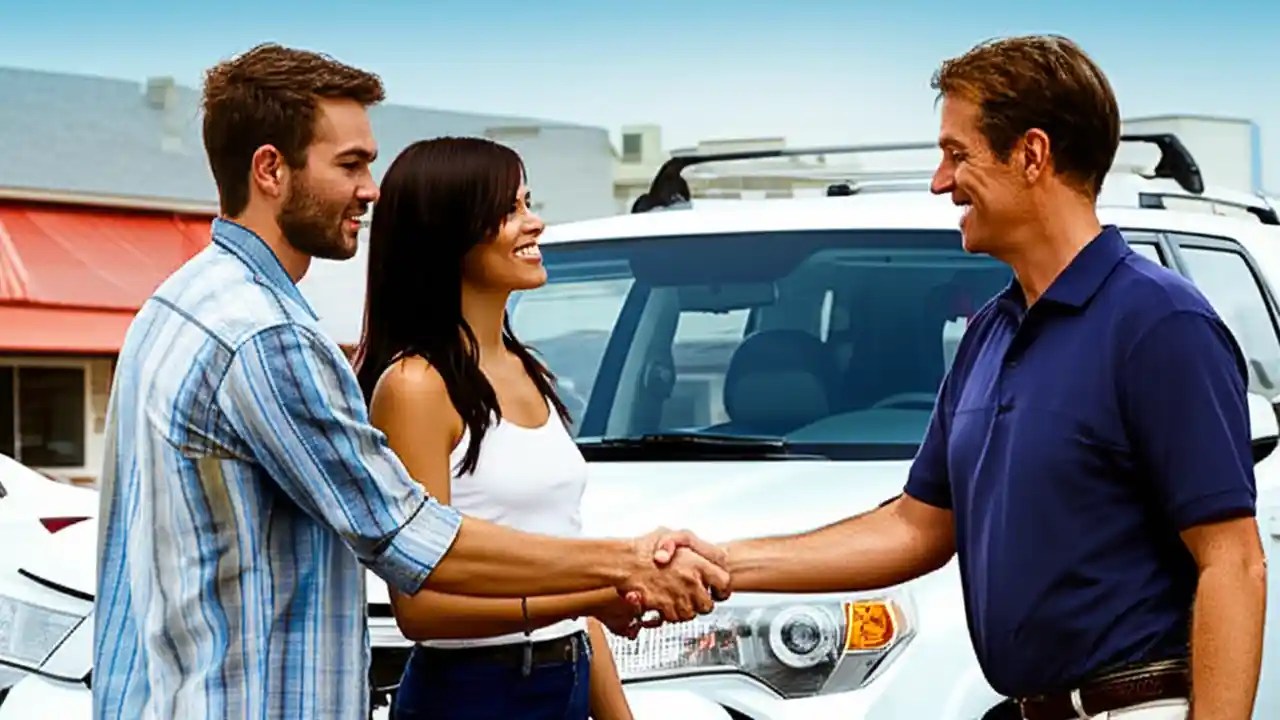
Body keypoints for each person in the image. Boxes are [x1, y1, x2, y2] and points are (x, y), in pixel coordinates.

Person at [91, 43, 728, 720]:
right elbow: (407, 538)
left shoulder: (179, 304)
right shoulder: (268, 338)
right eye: (351, 165)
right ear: (270, 170)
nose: (371, 188)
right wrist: (624, 566)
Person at [717, 35, 1266, 720]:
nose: (939, 181)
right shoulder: (989, 334)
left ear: (1031, 155)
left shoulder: (1159, 325)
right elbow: (916, 529)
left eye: (956, 153)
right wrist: (721, 565)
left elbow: (1234, 565)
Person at [351, 136, 640, 720]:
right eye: (509, 210)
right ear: (448, 231)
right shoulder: (415, 387)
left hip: (570, 671)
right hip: (474, 694)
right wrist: (592, 592)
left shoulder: (526, 367)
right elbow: (420, 607)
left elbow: (566, 556)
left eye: (528, 203)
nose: (535, 224)